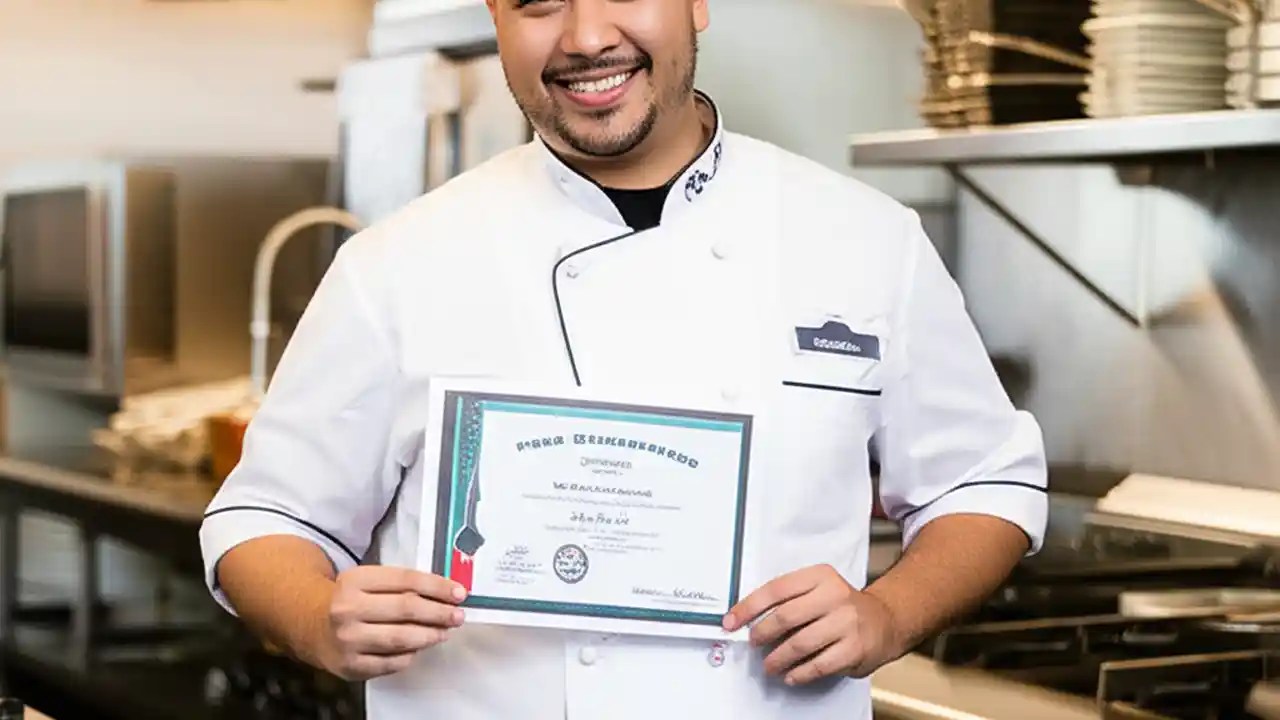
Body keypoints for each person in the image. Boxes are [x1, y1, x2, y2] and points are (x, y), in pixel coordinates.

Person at [199, 0, 1049, 718]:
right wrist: (318, 618)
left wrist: (889, 616)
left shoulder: (862, 239)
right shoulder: (397, 264)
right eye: (538, 1)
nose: (584, 37)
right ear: (495, 15)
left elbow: (982, 483)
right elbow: (262, 520)